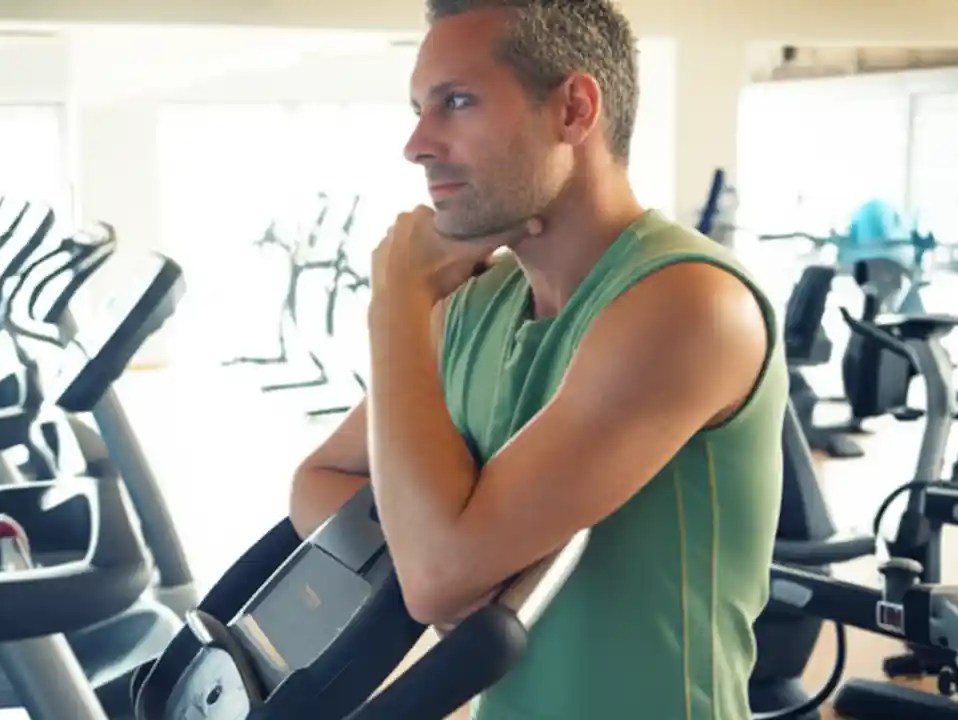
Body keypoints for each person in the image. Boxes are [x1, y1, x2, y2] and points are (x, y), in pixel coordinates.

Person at [289, 1, 787, 717]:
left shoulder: (690, 304)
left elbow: (436, 579)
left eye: (457, 102)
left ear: (574, 110)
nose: (417, 145)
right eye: (419, 109)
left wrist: (395, 304)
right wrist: (445, 551)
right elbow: (317, 481)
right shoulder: (474, 304)